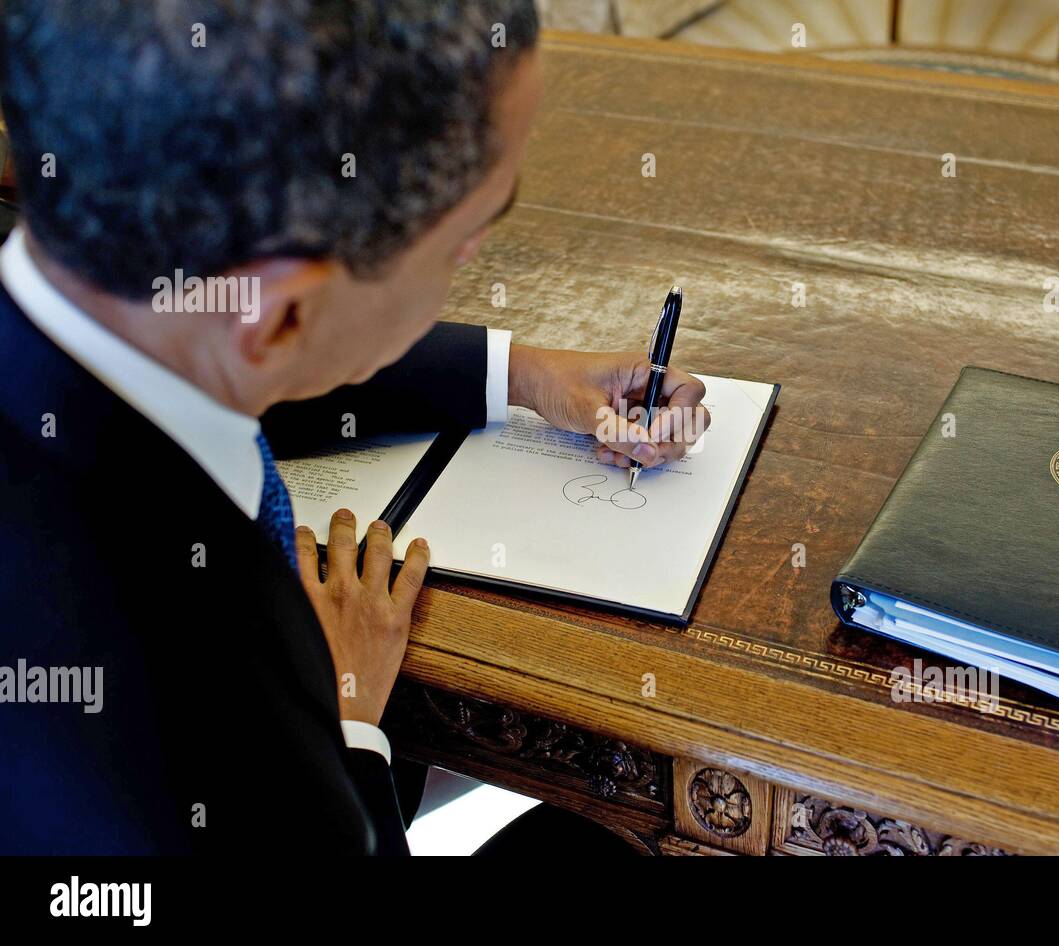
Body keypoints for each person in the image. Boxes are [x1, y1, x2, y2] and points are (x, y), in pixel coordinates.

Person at [0, 0, 707, 854]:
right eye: (465, 241)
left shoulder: (124, 283)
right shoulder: (193, 762)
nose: (472, 260)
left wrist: (516, 373)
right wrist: (347, 729)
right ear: (284, 317)